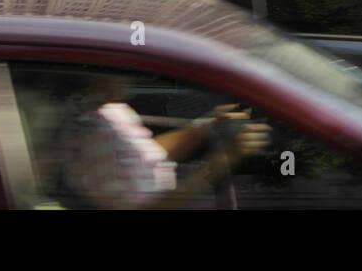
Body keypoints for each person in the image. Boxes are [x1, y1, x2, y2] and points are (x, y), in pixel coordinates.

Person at [64, 74, 271, 209]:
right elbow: (152, 208)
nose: (126, 74)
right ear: (93, 73)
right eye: (115, 63)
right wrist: (224, 159)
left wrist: (207, 127)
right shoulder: (91, 132)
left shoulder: (111, 111)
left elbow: (145, 154)